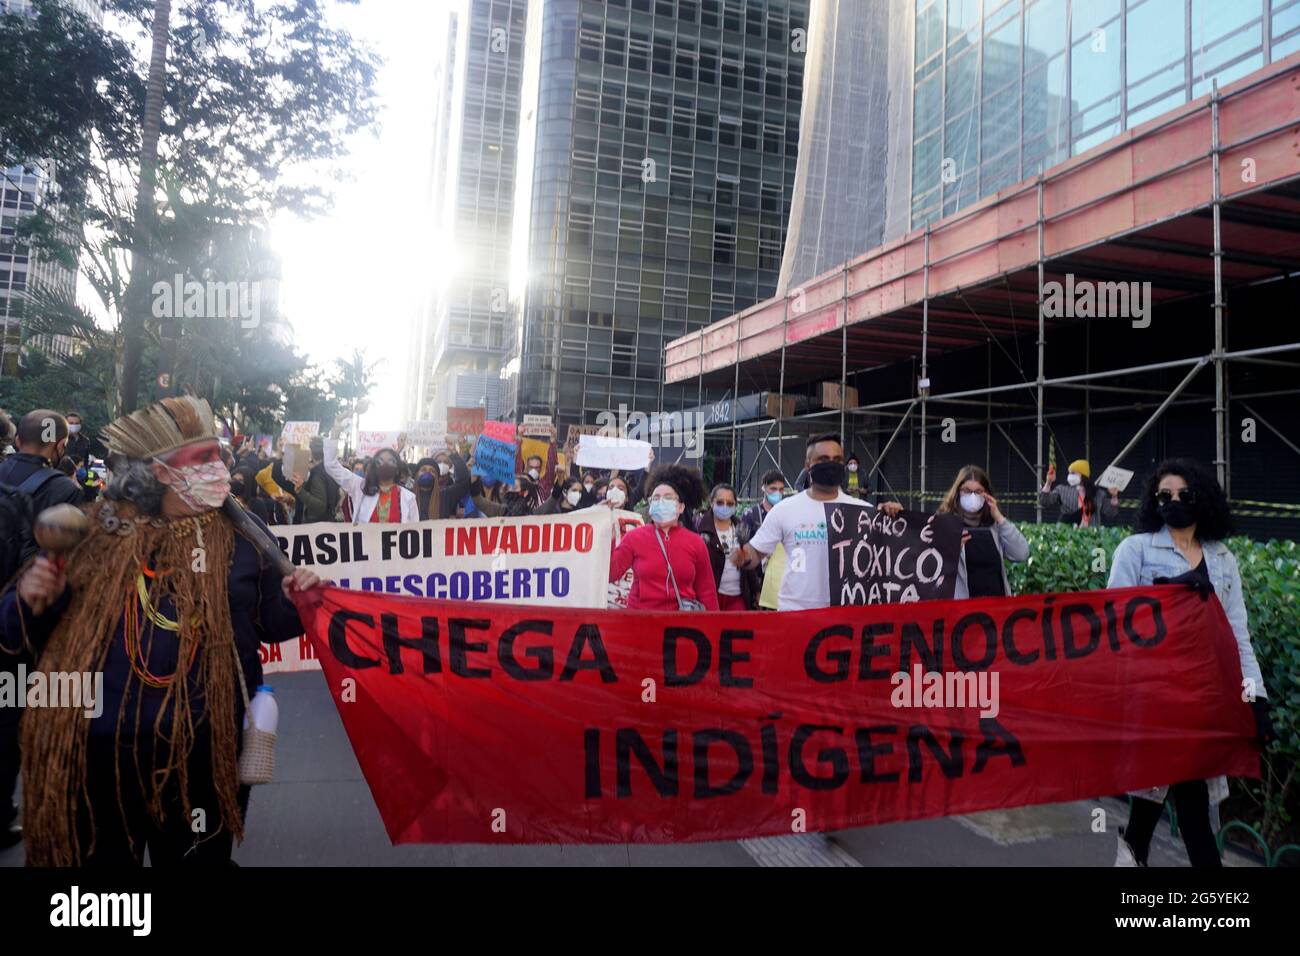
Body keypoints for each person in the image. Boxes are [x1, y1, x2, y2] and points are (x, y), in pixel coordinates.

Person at [0, 396, 322, 866]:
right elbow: (17, 632)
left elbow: (272, 623)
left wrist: (303, 603)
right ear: (162, 472)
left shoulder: (246, 535)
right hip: (106, 751)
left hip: (207, 749)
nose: (220, 467)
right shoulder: (97, 535)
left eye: (219, 455)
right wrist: (27, 597)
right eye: (204, 458)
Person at [1107, 457, 1273, 868]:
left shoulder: (1222, 561)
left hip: (1203, 705)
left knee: (1165, 808)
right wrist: (1157, 610)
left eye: (1184, 495)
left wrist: (1255, 696)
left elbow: (1237, 635)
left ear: (1202, 500)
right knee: (1182, 808)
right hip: (1154, 704)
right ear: (1154, 501)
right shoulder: (1136, 550)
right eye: (1165, 495)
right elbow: (1112, 622)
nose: (1174, 501)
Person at [733, 434, 901, 611]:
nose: (831, 463)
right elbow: (755, 553)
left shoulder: (863, 512)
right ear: (808, 465)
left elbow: (892, 555)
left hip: (845, 616)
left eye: (837, 459)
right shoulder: (784, 509)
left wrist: (893, 518)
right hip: (795, 617)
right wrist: (743, 557)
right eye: (823, 459)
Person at [607, 464, 718, 611]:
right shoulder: (635, 537)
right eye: (656, 498)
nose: (661, 502)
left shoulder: (696, 542)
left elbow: (707, 592)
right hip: (640, 622)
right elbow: (611, 573)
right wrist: (609, 538)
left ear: (681, 507)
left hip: (681, 625)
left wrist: (714, 629)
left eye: (668, 498)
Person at [936, 465, 1029, 598]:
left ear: (986, 494)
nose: (973, 496)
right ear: (957, 492)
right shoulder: (945, 524)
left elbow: (1021, 553)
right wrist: (951, 550)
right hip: (962, 612)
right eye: (966, 491)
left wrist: (999, 518)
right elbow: (932, 570)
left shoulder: (994, 527)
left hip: (996, 610)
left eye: (978, 491)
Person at [696, 483, 760, 610]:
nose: (725, 506)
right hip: (710, 597)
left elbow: (749, 564)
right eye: (720, 502)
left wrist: (756, 592)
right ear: (711, 502)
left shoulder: (741, 528)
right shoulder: (700, 529)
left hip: (737, 596)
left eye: (730, 503)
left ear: (735, 505)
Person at [325, 441, 418, 523]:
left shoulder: (409, 497)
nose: (385, 465)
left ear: (397, 469)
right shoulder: (359, 487)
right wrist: (336, 431)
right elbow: (331, 466)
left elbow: (414, 534)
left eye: (391, 461)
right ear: (374, 467)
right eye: (380, 461)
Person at [1041, 458, 1119, 526]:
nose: (1070, 476)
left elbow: (1111, 513)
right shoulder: (1062, 490)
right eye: (1069, 473)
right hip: (1067, 536)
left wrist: (1114, 496)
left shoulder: (1098, 493)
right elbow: (1044, 501)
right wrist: (1048, 482)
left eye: (1073, 473)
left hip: (1091, 537)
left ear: (1083, 475)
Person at [293, 437, 341, 523]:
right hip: (330, 521)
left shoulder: (317, 473)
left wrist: (301, 492)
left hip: (316, 526)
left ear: (311, 452)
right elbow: (337, 497)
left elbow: (320, 506)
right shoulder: (331, 470)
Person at [740, 469, 786, 539]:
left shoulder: (787, 514)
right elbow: (743, 544)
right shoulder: (751, 516)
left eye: (781, 489)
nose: (777, 493)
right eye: (773, 489)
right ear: (764, 488)